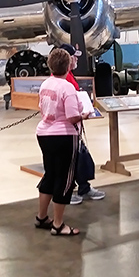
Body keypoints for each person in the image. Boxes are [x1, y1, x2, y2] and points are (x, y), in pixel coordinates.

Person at [35, 48, 89, 236]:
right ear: (68, 65)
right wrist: (85, 115)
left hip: (44, 133)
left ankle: (42, 216)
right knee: (65, 179)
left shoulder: (45, 84)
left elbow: (42, 107)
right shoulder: (67, 87)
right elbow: (72, 117)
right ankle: (58, 224)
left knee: (50, 174)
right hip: (64, 136)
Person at [57, 43, 106, 205]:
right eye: (74, 56)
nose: (77, 58)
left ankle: (84, 187)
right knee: (68, 162)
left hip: (75, 125)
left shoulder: (69, 75)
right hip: (66, 126)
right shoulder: (62, 80)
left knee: (79, 158)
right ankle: (67, 191)